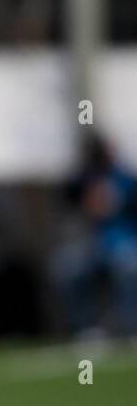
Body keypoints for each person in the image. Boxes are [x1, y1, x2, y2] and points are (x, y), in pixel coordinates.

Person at [51, 134, 137, 339]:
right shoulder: (85, 178)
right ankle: (87, 329)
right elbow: (65, 197)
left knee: (129, 266)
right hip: (93, 247)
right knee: (68, 268)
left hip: (122, 243)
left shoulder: (124, 178)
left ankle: (131, 326)